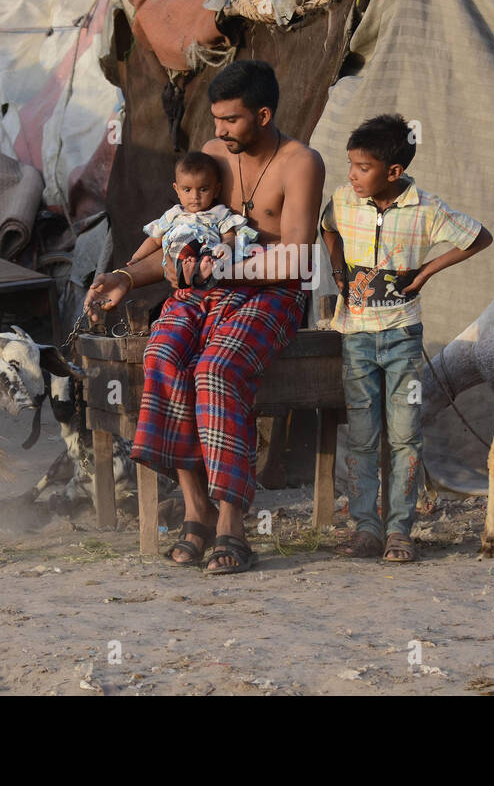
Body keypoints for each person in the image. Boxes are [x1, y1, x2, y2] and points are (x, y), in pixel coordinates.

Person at [87, 60, 324, 573]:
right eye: (215, 119)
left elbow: (299, 257)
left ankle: (231, 525)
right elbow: (176, 243)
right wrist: (126, 277)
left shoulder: (299, 162)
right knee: (163, 353)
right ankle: (196, 509)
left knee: (215, 370)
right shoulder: (213, 157)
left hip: (269, 297)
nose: (218, 131)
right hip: (200, 296)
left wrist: (224, 269)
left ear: (263, 114)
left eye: (231, 120)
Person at [320, 113, 491, 562]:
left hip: (401, 337)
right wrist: (338, 271)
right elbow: (327, 228)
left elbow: (478, 237)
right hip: (356, 336)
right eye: (351, 165)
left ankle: (399, 530)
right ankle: (366, 529)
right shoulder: (343, 200)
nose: (353, 175)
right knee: (361, 435)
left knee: (404, 436)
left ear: (393, 172)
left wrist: (428, 272)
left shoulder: (425, 209)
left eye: (363, 167)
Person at [127, 150, 257, 288]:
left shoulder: (219, 214)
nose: (195, 196)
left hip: (205, 256)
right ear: (177, 190)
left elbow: (229, 236)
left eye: (203, 189)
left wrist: (223, 248)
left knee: (210, 256)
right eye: (187, 190)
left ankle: (199, 274)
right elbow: (154, 240)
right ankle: (191, 275)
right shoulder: (173, 215)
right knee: (177, 253)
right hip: (178, 258)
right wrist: (137, 258)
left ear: (216, 190)